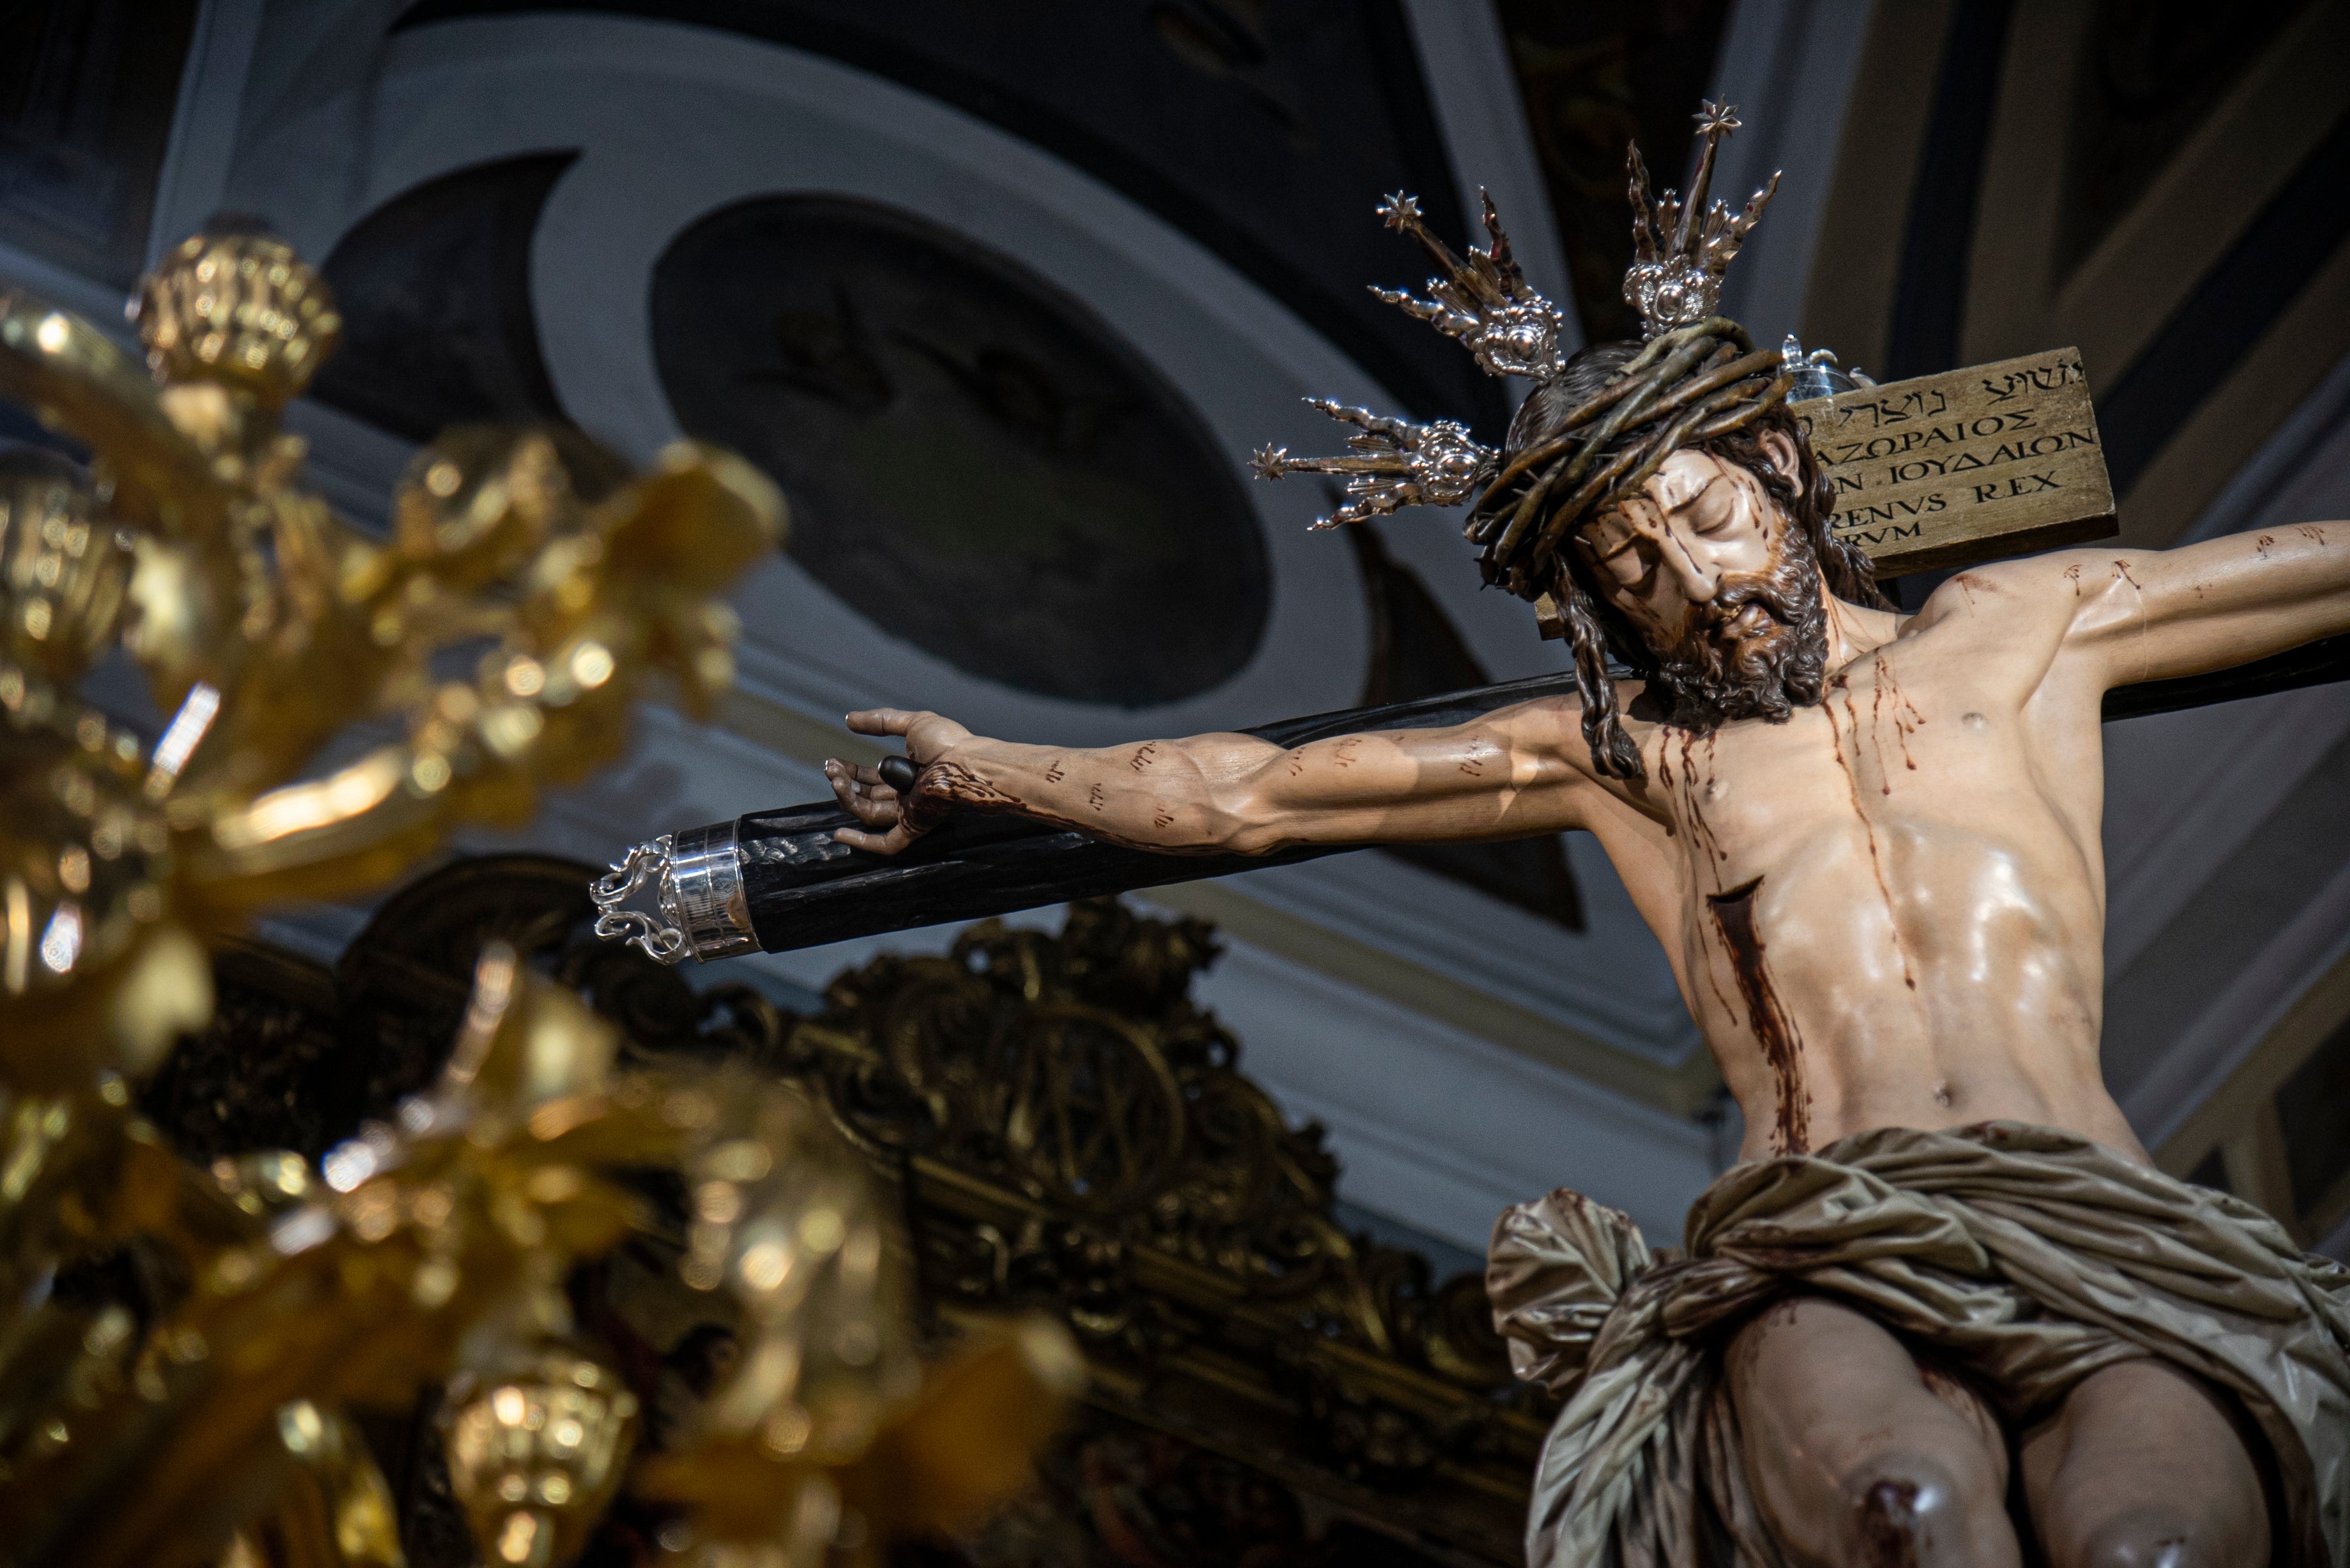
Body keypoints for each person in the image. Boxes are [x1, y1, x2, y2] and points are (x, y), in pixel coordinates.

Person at [822, 104, 2350, 1568]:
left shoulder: (2016, 631)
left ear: (1786, 475)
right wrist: (988, 771)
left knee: (2150, 1546)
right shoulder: (1630, 763)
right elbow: (1245, 792)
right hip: (1826, 1241)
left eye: (1703, 517)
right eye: (1628, 570)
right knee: (1909, 1512)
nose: (1688, 583)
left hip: (2097, 1205)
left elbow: (2306, 571)